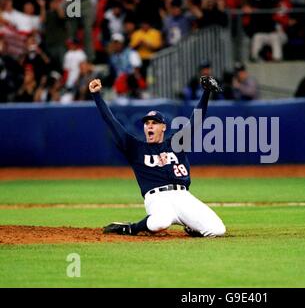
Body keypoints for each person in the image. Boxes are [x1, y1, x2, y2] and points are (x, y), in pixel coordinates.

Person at [88, 77, 226, 237]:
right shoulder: (135, 147)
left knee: (217, 230)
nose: (150, 126)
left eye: (154, 122)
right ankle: (131, 228)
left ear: (163, 127)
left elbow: (195, 121)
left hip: (182, 196)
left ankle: (191, 227)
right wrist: (96, 95)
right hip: (157, 199)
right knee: (161, 222)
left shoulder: (176, 143)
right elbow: (111, 121)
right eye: (147, 123)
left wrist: (206, 93)